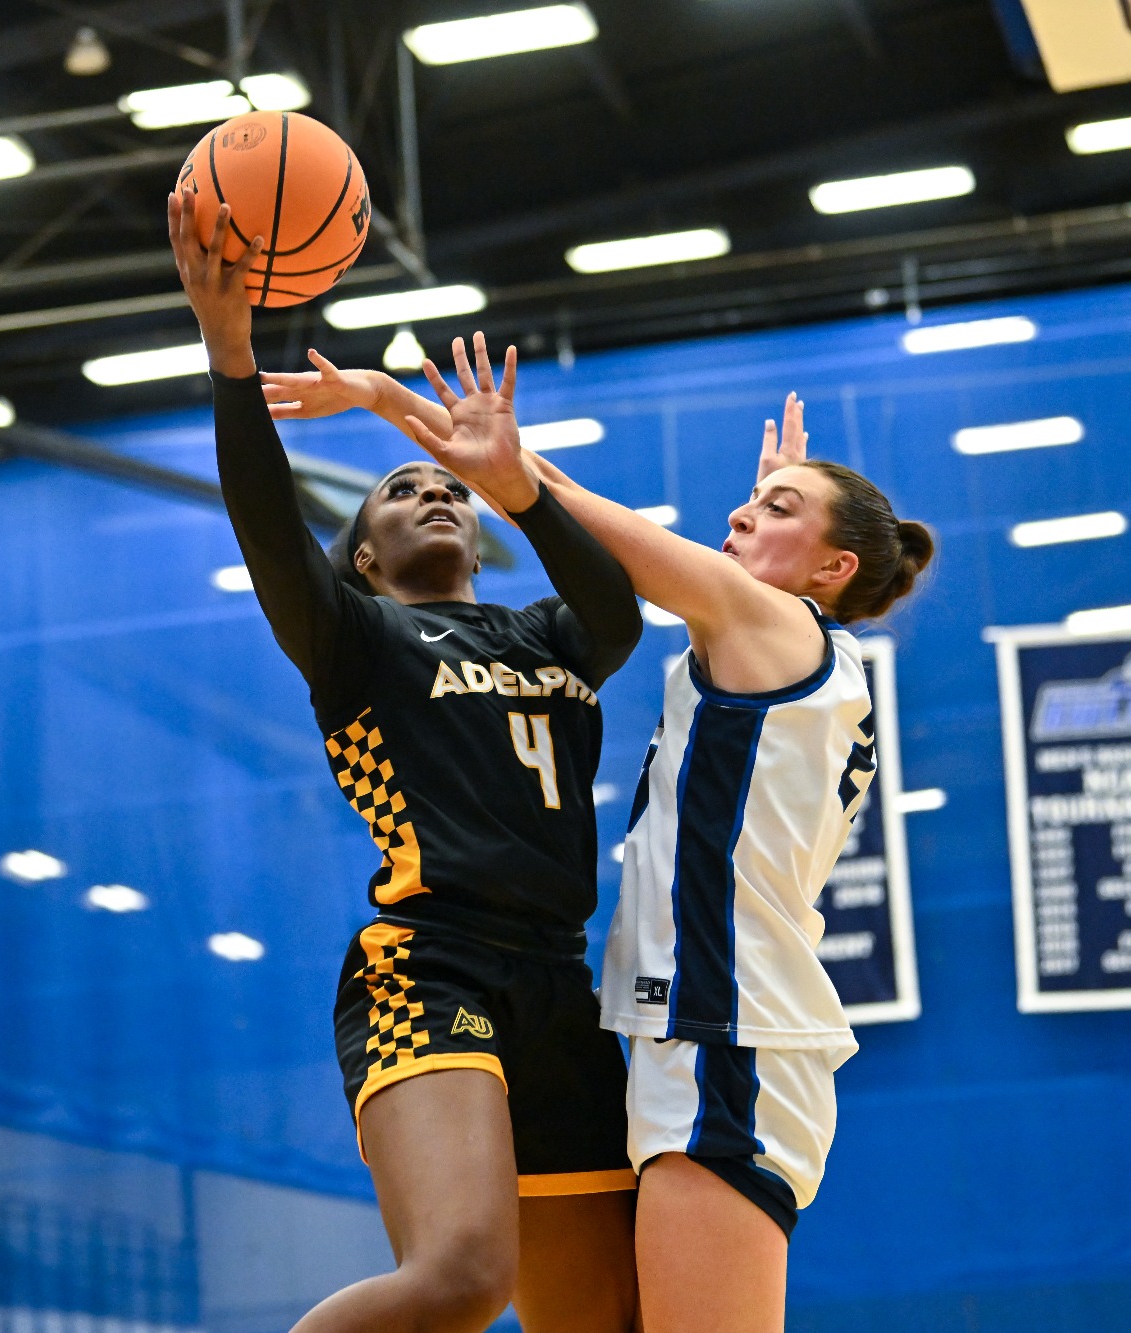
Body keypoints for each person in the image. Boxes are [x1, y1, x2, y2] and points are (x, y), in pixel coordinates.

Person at [266, 340, 932, 1333]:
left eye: (776, 510)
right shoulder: (791, 645)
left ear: (834, 568)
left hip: (723, 1033)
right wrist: (403, 411)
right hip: (710, 1031)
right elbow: (545, 490)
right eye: (750, 503)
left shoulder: (765, 622)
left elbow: (545, 497)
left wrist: (382, 400)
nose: (742, 514)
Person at [170, 186, 644, 1333]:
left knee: (609, 1322)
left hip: (557, 980)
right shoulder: (358, 637)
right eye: (400, 489)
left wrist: (511, 482)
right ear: (366, 557)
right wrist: (230, 357)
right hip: (424, 966)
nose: (430, 492)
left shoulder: (545, 635)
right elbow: (269, 531)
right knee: (460, 1279)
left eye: (443, 490)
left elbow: (618, 613)